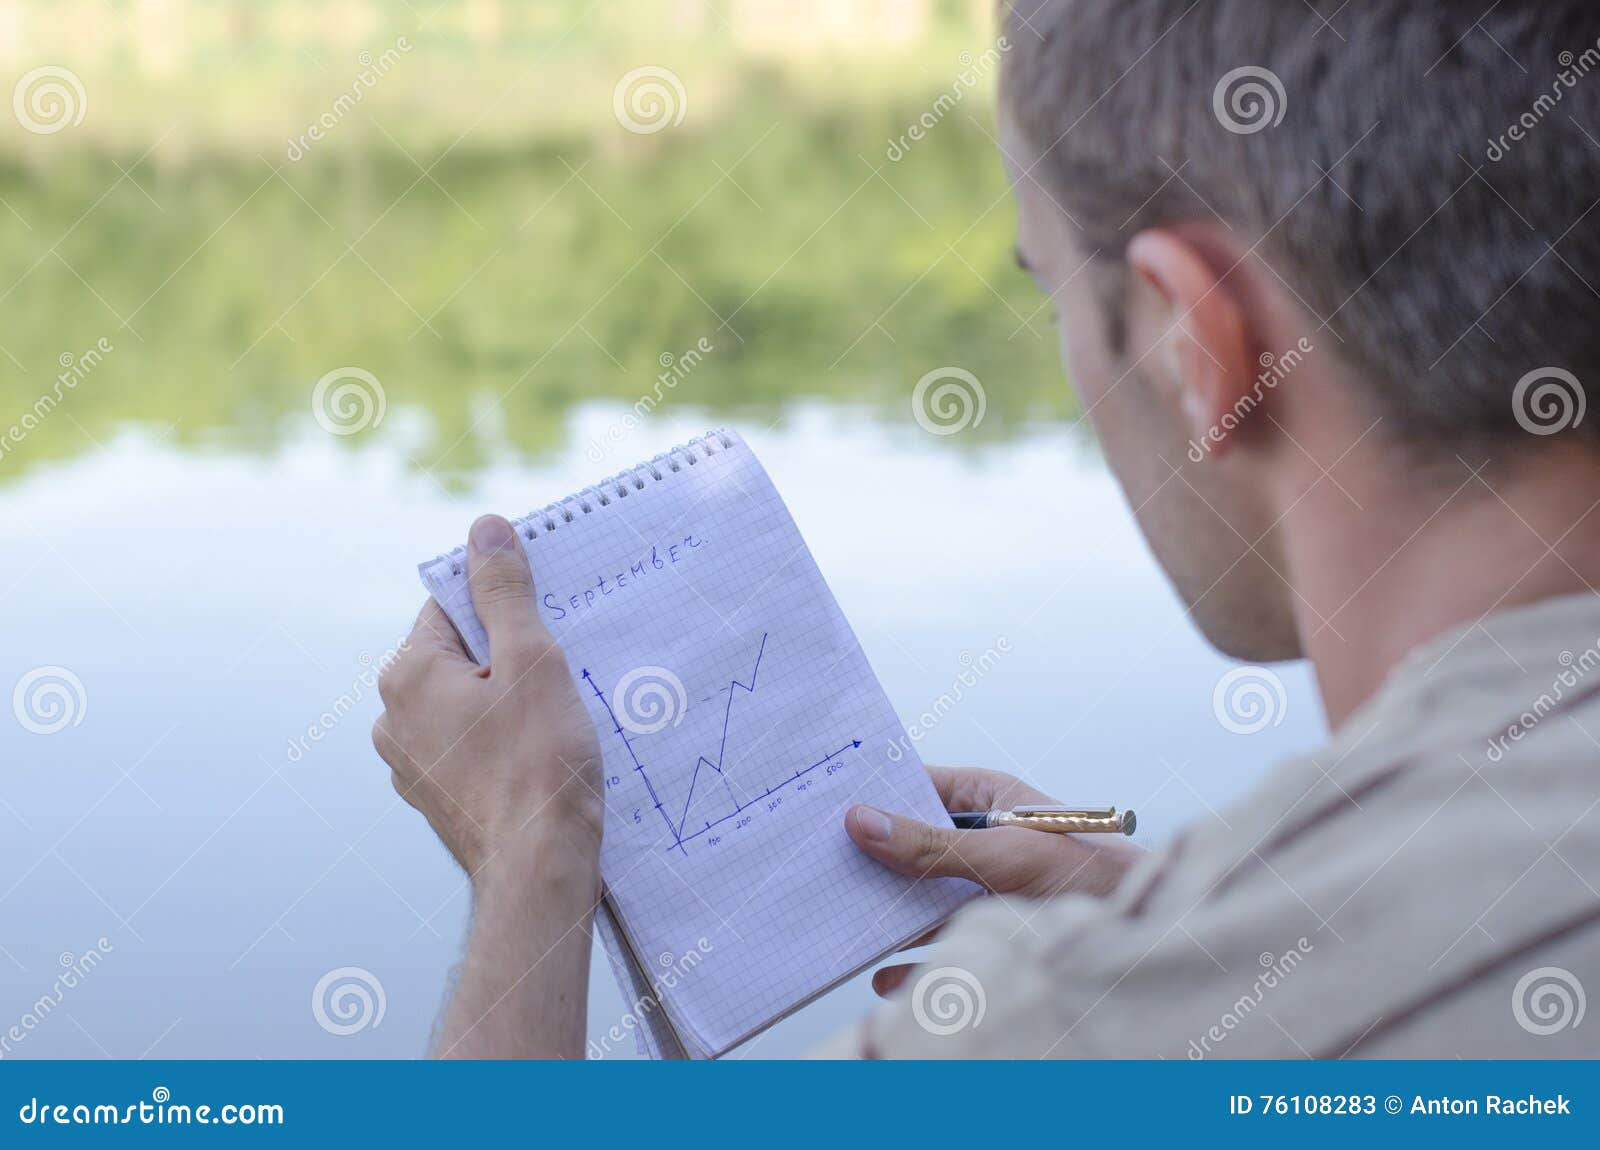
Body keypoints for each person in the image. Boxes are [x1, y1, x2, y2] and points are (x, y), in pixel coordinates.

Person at [372, 0, 1600, 1058]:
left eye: (1050, 285)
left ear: (1196, 342)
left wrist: (533, 844)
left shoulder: (1062, 1033)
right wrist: (1166, 907)